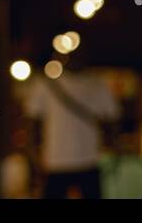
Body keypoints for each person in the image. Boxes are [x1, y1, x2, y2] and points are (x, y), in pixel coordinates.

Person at [23, 67, 120, 199]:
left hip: (87, 160)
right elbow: (32, 122)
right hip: (57, 161)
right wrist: (33, 153)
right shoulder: (47, 84)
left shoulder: (97, 84)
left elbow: (112, 119)